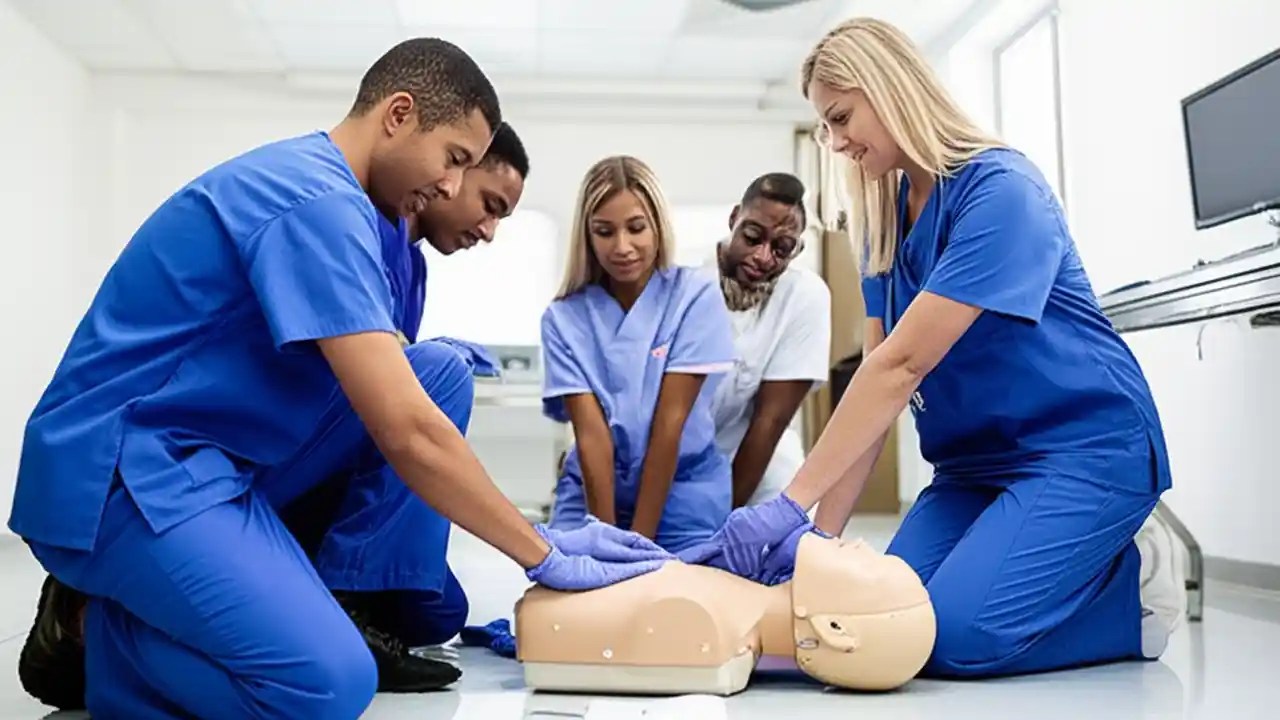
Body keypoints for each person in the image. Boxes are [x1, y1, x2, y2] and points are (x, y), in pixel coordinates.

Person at [12, 39, 669, 719]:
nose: (451, 187)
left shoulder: (352, 205)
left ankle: (314, 600)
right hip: (125, 475)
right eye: (454, 160)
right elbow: (406, 430)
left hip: (209, 463)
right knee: (326, 685)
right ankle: (92, 633)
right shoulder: (315, 201)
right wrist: (542, 550)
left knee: (433, 591)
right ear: (398, 114)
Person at [677, 17, 1185, 680]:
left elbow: (902, 367)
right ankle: (1051, 564)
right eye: (823, 127)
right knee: (878, 623)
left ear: (889, 88)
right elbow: (874, 392)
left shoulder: (1001, 192)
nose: (833, 142)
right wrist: (819, 544)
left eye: (840, 117)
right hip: (973, 467)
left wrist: (786, 505)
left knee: (948, 639)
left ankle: (1133, 583)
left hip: (1082, 450)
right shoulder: (883, 225)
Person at [276, 122, 532, 694]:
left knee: (438, 612)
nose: (489, 231)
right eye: (489, 206)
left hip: (339, 459)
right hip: (290, 457)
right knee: (441, 370)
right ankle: (343, 608)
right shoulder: (355, 224)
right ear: (454, 171)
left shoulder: (412, 267)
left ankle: (317, 594)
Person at [542, 155, 738, 554]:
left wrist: (638, 547)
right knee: (569, 590)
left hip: (684, 487)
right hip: (592, 490)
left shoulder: (694, 298)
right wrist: (607, 541)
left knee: (676, 596)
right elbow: (592, 435)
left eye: (636, 228)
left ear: (658, 227)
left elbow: (670, 426)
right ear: (587, 235)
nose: (622, 247)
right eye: (604, 231)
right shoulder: (563, 318)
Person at [706, 172, 832, 509]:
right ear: (734, 219)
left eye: (782, 248)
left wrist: (725, 522)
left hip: (759, 459)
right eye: (751, 237)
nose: (763, 257)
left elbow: (770, 421)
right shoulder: (687, 284)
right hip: (681, 455)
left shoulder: (805, 296)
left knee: (779, 543)